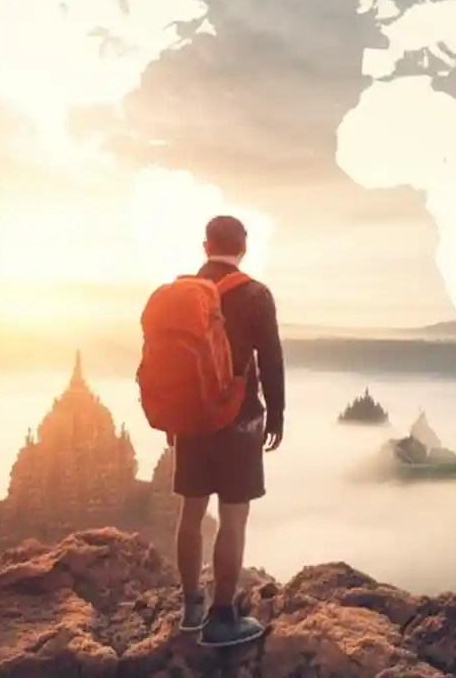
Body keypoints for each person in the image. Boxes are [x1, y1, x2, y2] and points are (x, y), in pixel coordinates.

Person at [173, 215, 285, 647]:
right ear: (243, 248)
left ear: (205, 247)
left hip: (192, 418)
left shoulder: (182, 294)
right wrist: (276, 414)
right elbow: (271, 358)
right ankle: (222, 619)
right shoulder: (256, 294)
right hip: (240, 419)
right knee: (233, 515)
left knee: (191, 512)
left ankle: (190, 608)